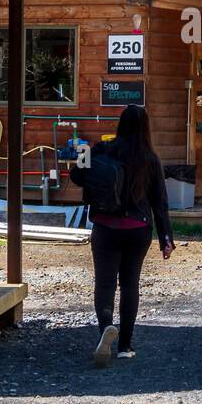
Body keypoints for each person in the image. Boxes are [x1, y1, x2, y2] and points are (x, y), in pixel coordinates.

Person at [69, 104, 174, 367]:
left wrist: (85, 152)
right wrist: (166, 238)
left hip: (105, 227)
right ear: (145, 128)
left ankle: (106, 326)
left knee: (104, 283)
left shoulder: (102, 150)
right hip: (138, 230)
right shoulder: (151, 159)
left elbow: (76, 176)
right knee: (130, 285)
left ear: (120, 125)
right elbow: (160, 203)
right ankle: (125, 345)